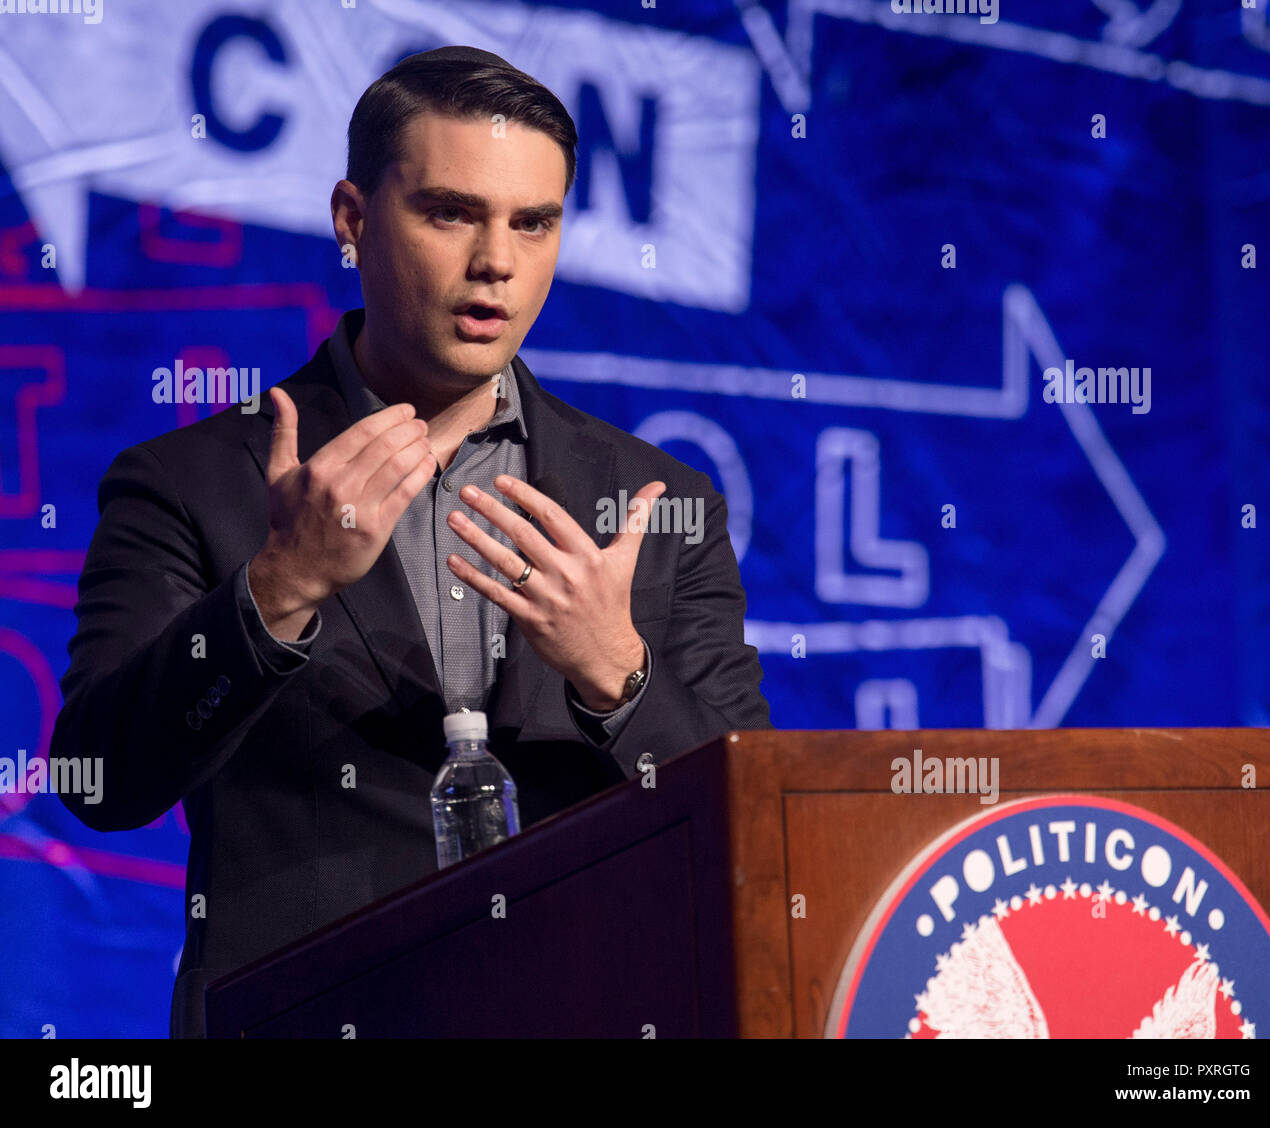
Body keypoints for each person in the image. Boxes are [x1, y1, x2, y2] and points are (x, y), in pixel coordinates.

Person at [51, 45, 771, 1039]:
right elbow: (99, 778)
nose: (497, 263)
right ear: (352, 220)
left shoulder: (653, 500)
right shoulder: (192, 483)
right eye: (450, 213)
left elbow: (755, 834)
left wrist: (620, 675)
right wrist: (278, 588)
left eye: (534, 222)